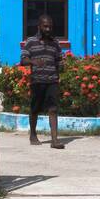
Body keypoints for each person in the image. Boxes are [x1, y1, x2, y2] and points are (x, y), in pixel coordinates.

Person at [20, 14, 65, 150]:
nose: (48, 29)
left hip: (52, 81)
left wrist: (60, 69)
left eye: (50, 26)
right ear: (39, 26)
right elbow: (23, 60)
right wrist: (34, 61)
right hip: (37, 81)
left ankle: (55, 140)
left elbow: (58, 60)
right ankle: (33, 135)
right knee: (35, 109)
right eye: (45, 26)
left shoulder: (55, 43)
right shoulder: (31, 42)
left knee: (53, 109)